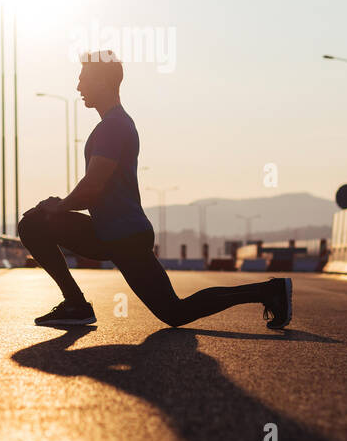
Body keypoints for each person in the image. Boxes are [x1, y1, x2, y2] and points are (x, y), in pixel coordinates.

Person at [17, 51, 293, 330]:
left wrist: (58, 206)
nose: (78, 87)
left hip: (122, 236)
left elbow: (93, 188)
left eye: (83, 79)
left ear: (102, 81)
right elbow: (95, 188)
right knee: (33, 224)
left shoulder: (112, 127)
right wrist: (58, 207)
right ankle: (75, 304)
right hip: (113, 233)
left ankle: (268, 292)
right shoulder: (115, 124)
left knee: (174, 311)